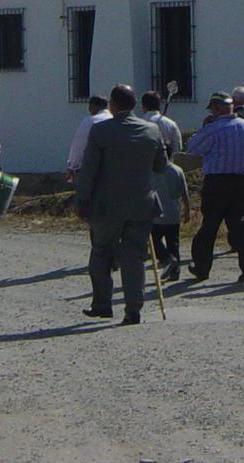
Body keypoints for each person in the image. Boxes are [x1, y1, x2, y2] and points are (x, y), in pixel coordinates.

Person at [75, 85, 167, 325]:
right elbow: (161, 166)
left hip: (107, 206)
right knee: (135, 257)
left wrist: (82, 201)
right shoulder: (152, 130)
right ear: (134, 104)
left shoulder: (101, 131)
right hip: (141, 204)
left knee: (101, 253)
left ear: (113, 105)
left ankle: (102, 304)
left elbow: (89, 170)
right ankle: (133, 309)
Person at [186, 92, 244, 282]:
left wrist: (204, 128)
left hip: (216, 183)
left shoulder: (213, 129)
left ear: (217, 109)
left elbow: (193, 148)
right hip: (241, 181)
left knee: (209, 226)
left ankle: (202, 268)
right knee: (242, 226)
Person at [150, 150, 191, 283]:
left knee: (154, 240)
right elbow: (184, 192)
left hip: (157, 213)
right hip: (174, 212)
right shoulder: (177, 170)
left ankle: (166, 259)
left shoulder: (152, 170)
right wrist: (187, 210)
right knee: (173, 242)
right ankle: (175, 271)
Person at [65, 95, 111, 180]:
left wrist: (72, 166)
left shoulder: (91, 121)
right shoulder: (114, 119)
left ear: (93, 106)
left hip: (93, 169)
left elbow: (79, 145)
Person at [139, 90, 183, 159]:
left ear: (143, 106)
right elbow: (177, 149)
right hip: (167, 165)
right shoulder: (171, 124)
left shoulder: (139, 125)